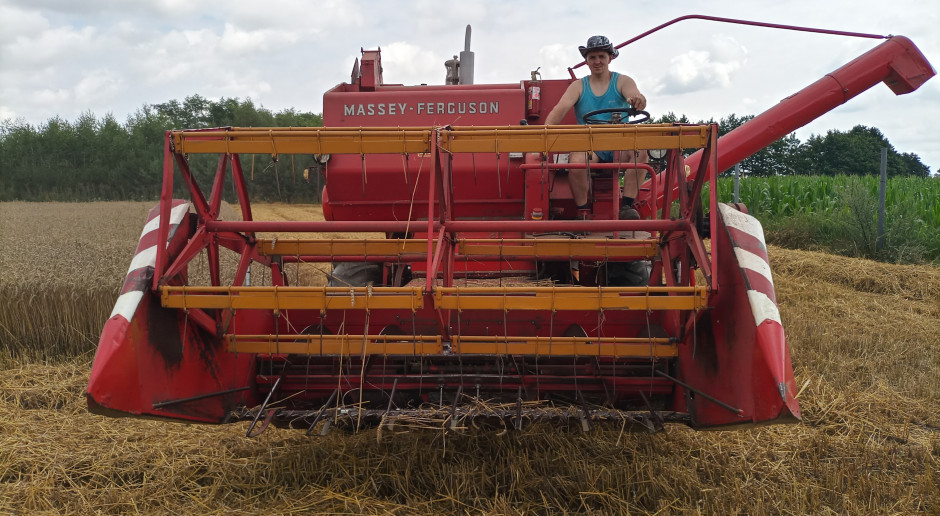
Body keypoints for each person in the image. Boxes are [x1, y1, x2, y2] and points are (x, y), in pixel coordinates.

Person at [545, 35, 648, 220]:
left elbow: (635, 96)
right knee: (576, 161)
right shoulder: (578, 86)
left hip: (619, 145)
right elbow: (559, 111)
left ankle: (626, 207)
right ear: (586, 61)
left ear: (610, 58)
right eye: (592, 57)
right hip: (591, 147)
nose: (597, 61)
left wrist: (637, 100)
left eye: (601, 56)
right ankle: (583, 211)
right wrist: (541, 136)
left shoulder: (623, 82)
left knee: (641, 153)